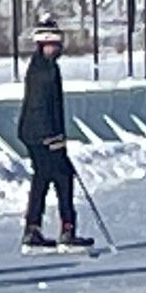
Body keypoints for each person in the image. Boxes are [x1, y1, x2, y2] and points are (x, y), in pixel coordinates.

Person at [18, 18, 94, 251]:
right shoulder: (44, 71)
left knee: (43, 178)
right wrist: (52, 136)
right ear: (44, 44)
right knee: (62, 177)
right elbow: (40, 106)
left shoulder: (44, 67)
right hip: (42, 134)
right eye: (54, 45)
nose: (58, 49)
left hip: (36, 133)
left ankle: (34, 229)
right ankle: (67, 230)